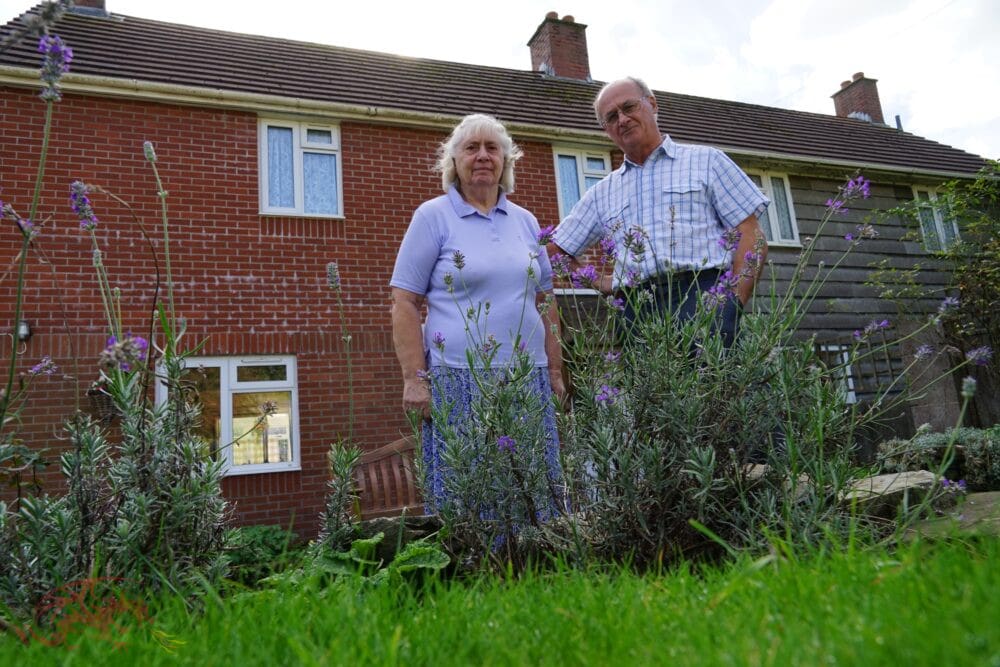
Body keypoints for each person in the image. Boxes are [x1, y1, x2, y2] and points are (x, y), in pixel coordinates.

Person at [390, 113, 565, 511]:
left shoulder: (526, 221)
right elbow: (403, 302)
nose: (483, 156)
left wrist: (554, 372)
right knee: (470, 494)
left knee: (532, 488)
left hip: (528, 379)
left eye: (492, 148)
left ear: (506, 161)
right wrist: (415, 381)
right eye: (471, 148)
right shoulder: (433, 216)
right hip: (460, 382)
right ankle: (473, 570)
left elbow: (547, 300)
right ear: (454, 162)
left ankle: (536, 567)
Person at [549, 76, 770, 347]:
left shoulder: (706, 161)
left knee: (715, 388)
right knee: (649, 391)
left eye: (629, 107)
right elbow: (557, 252)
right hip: (636, 308)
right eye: (611, 117)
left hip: (702, 296)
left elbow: (751, 235)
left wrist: (733, 301)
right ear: (606, 129)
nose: (623, 119)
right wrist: (599, 281)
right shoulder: (601, 193)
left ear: (652, 104)